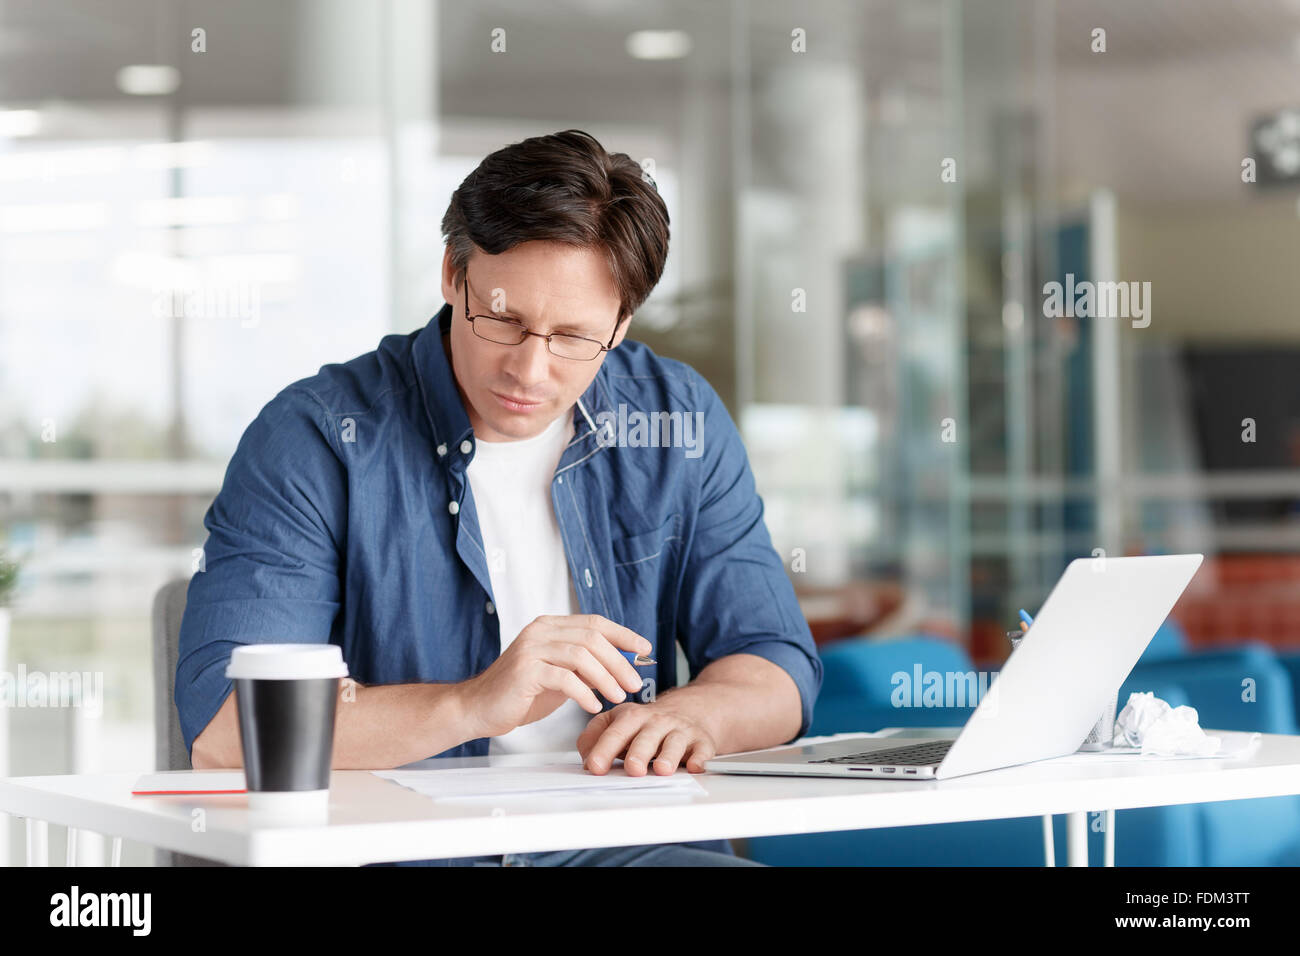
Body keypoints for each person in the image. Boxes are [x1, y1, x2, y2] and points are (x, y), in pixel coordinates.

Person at [176, 129, 822, 866]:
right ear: (454, 273)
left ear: (621, 323)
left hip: (623, 845)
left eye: (576, 336)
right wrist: (474, 703)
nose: (530, 370)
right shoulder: (318, 437)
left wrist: (692, 713)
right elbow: (228, 728)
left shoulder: (677, 421)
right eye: (505, 320)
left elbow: (775, 665)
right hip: (400, 849)